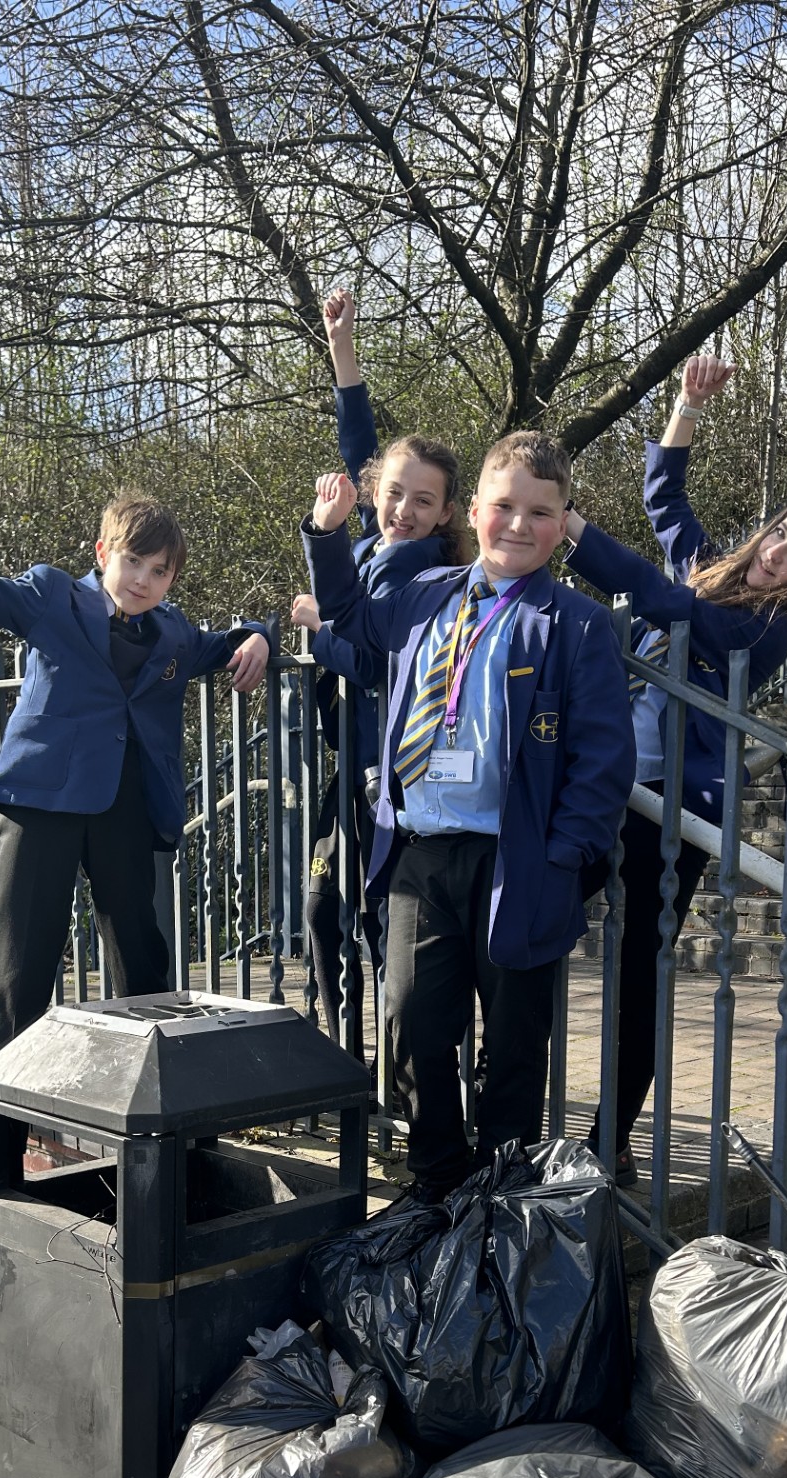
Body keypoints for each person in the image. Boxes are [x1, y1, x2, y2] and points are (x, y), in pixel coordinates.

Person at [0, 414, 269, 1242]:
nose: (145, 579)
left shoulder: (171, 632)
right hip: (45, 807)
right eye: (134, 560)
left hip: (130, 816)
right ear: (104, 553)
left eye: (161, 570)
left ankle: (175, 1153)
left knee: (149, 982)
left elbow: (223, 646)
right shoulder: (49, 597)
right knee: (16, 984)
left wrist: (263, 637)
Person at [303, 430, 636, 1200]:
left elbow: (601, 763)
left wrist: (561, 861)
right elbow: (349, 615)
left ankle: (501, 1192)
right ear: (475, 510)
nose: (519, 526)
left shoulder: (575, 624)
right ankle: (434, 1185)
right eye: (505, 507)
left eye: (541, 513)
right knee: (416, 1027)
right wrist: (326, 536)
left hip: (516, 863)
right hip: (420, 855)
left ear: (562, 523)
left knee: (515, 1043)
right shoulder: (427, 593)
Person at [564, 355, 787, 1185]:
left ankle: (609, 1140)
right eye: (781, 534)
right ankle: (504, 1086)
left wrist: (576, 532)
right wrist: (686, 407)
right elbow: (665, 495)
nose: (776, 555)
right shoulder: (706, 569)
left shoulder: (765, 631)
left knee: (638, 974)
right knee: (527, 914)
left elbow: (671, 607)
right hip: (603, 784)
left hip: (671, 814)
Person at [290, 289, 467, 1059]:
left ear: (443, 513)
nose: (402, 510)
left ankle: (391, 1074)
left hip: (383, 767)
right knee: (323, 903)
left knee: (370, 916)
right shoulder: (373, 544)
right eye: (393, 495)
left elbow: (370, 658)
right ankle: (341, 1050)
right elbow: (360, 444)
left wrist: (313, 630)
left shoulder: (423, 570)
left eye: (421, 502)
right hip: (346, 759)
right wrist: (343, 351)